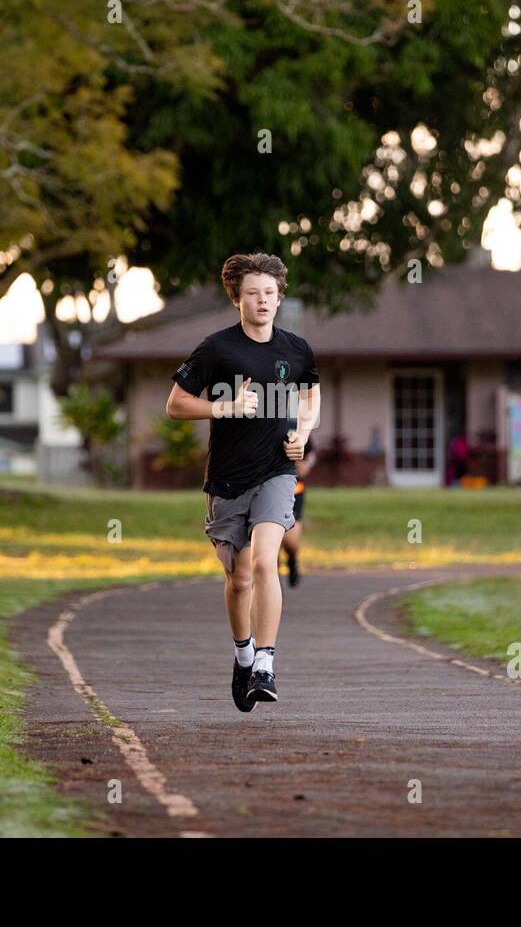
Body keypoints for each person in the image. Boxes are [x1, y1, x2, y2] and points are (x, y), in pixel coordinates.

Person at [165, 253, 321, 711]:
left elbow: (312, 395)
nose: (263, 301)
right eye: (253, 293)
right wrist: (225, 408)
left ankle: (266, 666)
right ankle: (243, 654)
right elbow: (175, 404)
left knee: (265, 562)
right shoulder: (216, 349)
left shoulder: (297, 349)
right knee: (239, 579)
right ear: (237, 298)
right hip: (228, 481)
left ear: (280, 297)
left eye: (270, 293)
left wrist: (303, 435)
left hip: (277, 471)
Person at [280, 440, 315, 586]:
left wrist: (307, 464)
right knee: (268, 550)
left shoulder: (294, 422)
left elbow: (311, 452)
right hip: (263, 488)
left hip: (293, 490)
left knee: (291, 542)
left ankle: (292, 558)